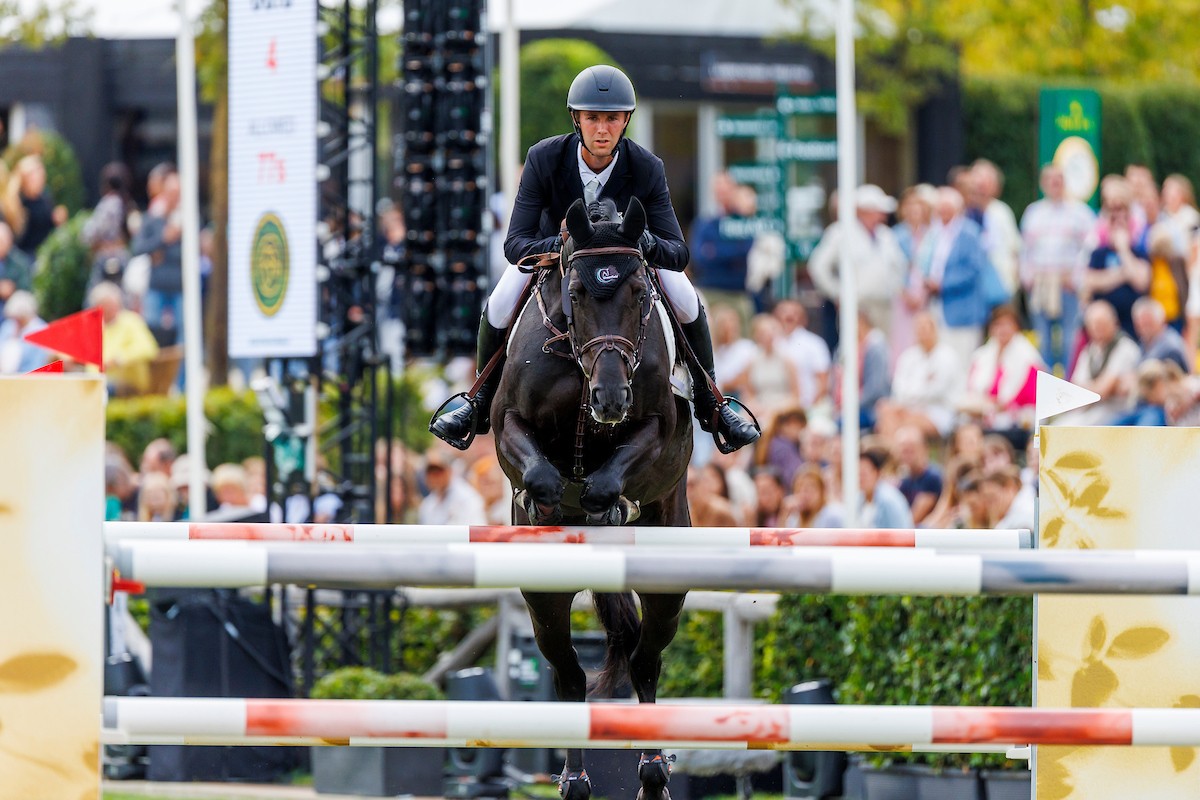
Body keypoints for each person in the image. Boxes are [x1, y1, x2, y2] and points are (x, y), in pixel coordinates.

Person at [430, 65, 759, 452]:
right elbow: (515, 243)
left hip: (629, 266)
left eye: (612, 119)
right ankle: (479, 402)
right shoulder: (544, 158)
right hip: (556, 264)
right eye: (593, 119)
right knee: (501, 302)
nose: (602, 130)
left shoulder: (647, 167)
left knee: (687, 300)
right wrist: (562, 246)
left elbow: (678, 250)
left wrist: (644, 243)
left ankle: (711, 403)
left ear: (625, 122)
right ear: (577, 120)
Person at [1019, 164, 1096, 373]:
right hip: (1041, 284)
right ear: (1043, 184)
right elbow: (1025, 249)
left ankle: (1069, 386)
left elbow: (1089, 248)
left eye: (1059, 179)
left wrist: (1077, 278)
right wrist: (1028, 279)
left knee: (1069, 339)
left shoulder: (1079, 212)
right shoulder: (1033, 213)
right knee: (1043, 339)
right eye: (1050, 180)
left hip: (1067, 285)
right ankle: (1046, 388)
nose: (1055, 184)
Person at [807, 184, 906, 340]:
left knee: (882, 353)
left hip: (884, 305)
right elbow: (818, 266)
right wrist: (837, 293)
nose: (883, 215)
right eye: (877, 210)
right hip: (857, 306)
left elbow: (899, 267)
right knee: (855, 352)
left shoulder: (886, 235)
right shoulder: (840, 232)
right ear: (863, 211)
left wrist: (894, 289)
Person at [874, 310, 962, 439]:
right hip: (907, 409)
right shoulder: (908, 356)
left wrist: (908, 400)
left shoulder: (947, 356)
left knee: (901, 423)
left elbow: (936, 392)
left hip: (939, 412)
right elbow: (899, 388)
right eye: (919, 328)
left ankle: (892, 455)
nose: (923, 332)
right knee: (885, 411)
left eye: (926, 328)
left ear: (935, 329)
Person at [1061, 299, 1142, 425]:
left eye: (1101, 323)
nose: (1097, 328)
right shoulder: (1089, 351)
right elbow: (1075, 391)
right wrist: (1100, 387)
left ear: (1114, 323)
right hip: (1089, 411)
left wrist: (1097, 388)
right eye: (1093, 324)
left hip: (1117, 411)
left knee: (1073, 429)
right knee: (1054, 427)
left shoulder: (1125, 347)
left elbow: (1104, 389)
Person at [89, 282, 160, 396]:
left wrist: (119, 359)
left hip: (127, 384)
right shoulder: (94, 327)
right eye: (104, 306)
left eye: (111, 305)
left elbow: (149, 348)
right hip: (96, 382)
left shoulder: (131, 321)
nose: (109, 310)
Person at [1132, 296, 1189, 373]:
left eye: (1148, 323)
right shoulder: (1145, 343)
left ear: (1161, 320)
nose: (1144, 328)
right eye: (1140, 323)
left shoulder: (1170, 347)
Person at [0, 290, 47, 373]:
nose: (16, 322)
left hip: (29, 377)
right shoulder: (8, 326)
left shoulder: (40, 329)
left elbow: (38, 362)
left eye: (19, 319)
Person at [0, 221, 33, 314]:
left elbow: (26, 288)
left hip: (15, 311)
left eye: (2, 241)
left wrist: (12, 290)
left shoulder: (19, 261)